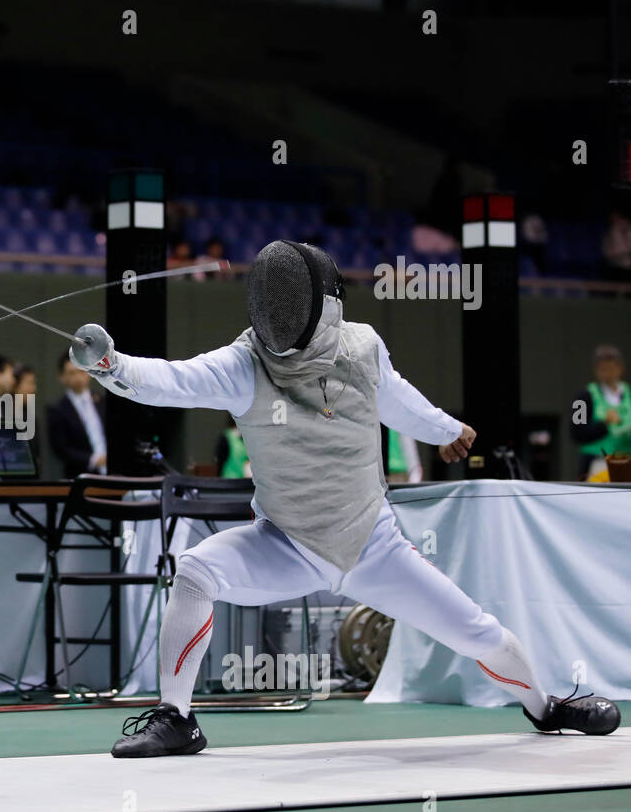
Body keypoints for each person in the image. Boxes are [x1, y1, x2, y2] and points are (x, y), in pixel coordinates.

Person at [70, 239, 620, 758]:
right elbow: (172, 380)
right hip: (285, 543)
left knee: (476, 630)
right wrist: (110, 366)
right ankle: (177, 719)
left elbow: (399, 401)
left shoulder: (361, 349)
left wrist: (445, 428)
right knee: (195, 571)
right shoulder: (245, 364)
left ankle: (547, 708)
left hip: (372, 546)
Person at [571, 344, 631, 480]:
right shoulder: (582, 397)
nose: (608, 374)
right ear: (596, 371)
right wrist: (604, 424)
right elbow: (576, 432)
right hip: (597, 464)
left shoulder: (630, 394)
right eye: (603, 369)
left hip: (627, 464)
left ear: (621, 369)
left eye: (612, 369)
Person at [48, 352, 106, 477]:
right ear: (62, 377)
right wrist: (93, 460)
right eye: (71, 373)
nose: (78, 377)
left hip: (112, 470)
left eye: (81, 371)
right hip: (81, 474)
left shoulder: (102, 400)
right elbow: (61, 449)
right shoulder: (58, 409)